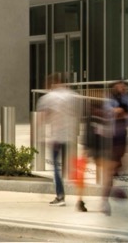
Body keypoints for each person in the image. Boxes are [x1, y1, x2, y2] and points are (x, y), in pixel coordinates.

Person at [36, 75, 84, 206]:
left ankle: (60, 196)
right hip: (70, 136)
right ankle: (80, 197)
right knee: (71, 166)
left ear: (51, 84)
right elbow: (79, 114)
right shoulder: (73, 96)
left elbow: (42, 117)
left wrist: (39, 135)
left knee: (56, 167)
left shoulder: (48, 98)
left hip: (57, 137)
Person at [95, 81, 128, 215]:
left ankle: (109, 195)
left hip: (121, 136)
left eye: (124, 87)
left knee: (116, 167)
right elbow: (108, 113)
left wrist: (122, 113)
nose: (123, 88)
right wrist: (117, 112)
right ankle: (105, 199)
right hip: (109, 138)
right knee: (110, 169)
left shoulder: (125, 99)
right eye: (120, 86)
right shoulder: (109, 99)